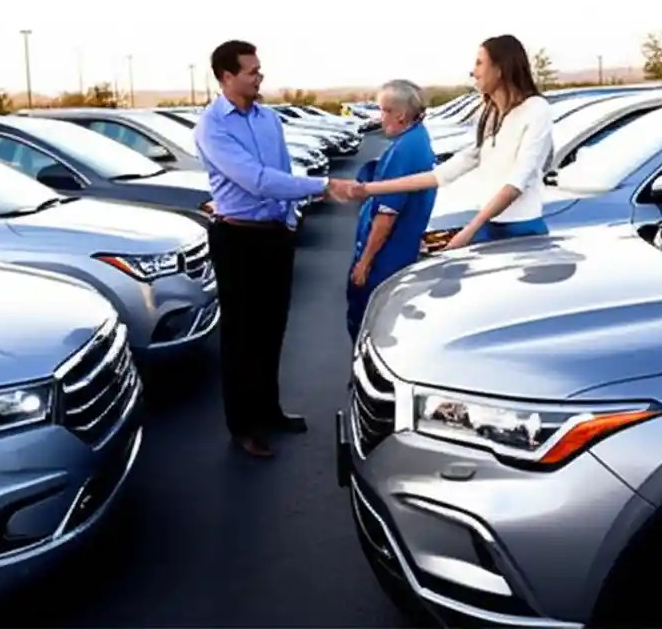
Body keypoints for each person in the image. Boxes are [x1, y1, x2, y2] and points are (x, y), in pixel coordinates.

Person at [195, 39, 356, 459]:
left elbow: (282, 171)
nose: (259, 76)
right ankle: (243, 426)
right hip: (239, 239)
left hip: (273, 236)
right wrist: (324, 186)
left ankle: (269, 410)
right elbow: (258, 180)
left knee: (272, 328)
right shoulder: (212, 126)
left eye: (259, 69)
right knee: (241, 336)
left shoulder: (268, 119)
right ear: (226, 77)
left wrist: (288, 219)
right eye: (251, 71)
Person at [352, 35, 554, 249]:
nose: (473, 72)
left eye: (479, 63)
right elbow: (444, 173)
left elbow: (516, 184)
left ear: (500, 68)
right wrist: (369, 189)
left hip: (522, 231)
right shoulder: (489, 114)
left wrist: (470, 230)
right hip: (490, 227)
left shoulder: (536, 109)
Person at [346, 80, 437, 343]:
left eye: (384, 110)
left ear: (400, 114)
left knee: (367, 324)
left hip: (386, 259)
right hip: (399, 251)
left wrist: (365, 262)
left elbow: (387, 215)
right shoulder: (415, 138)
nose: (380, 117)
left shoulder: (405, 150)